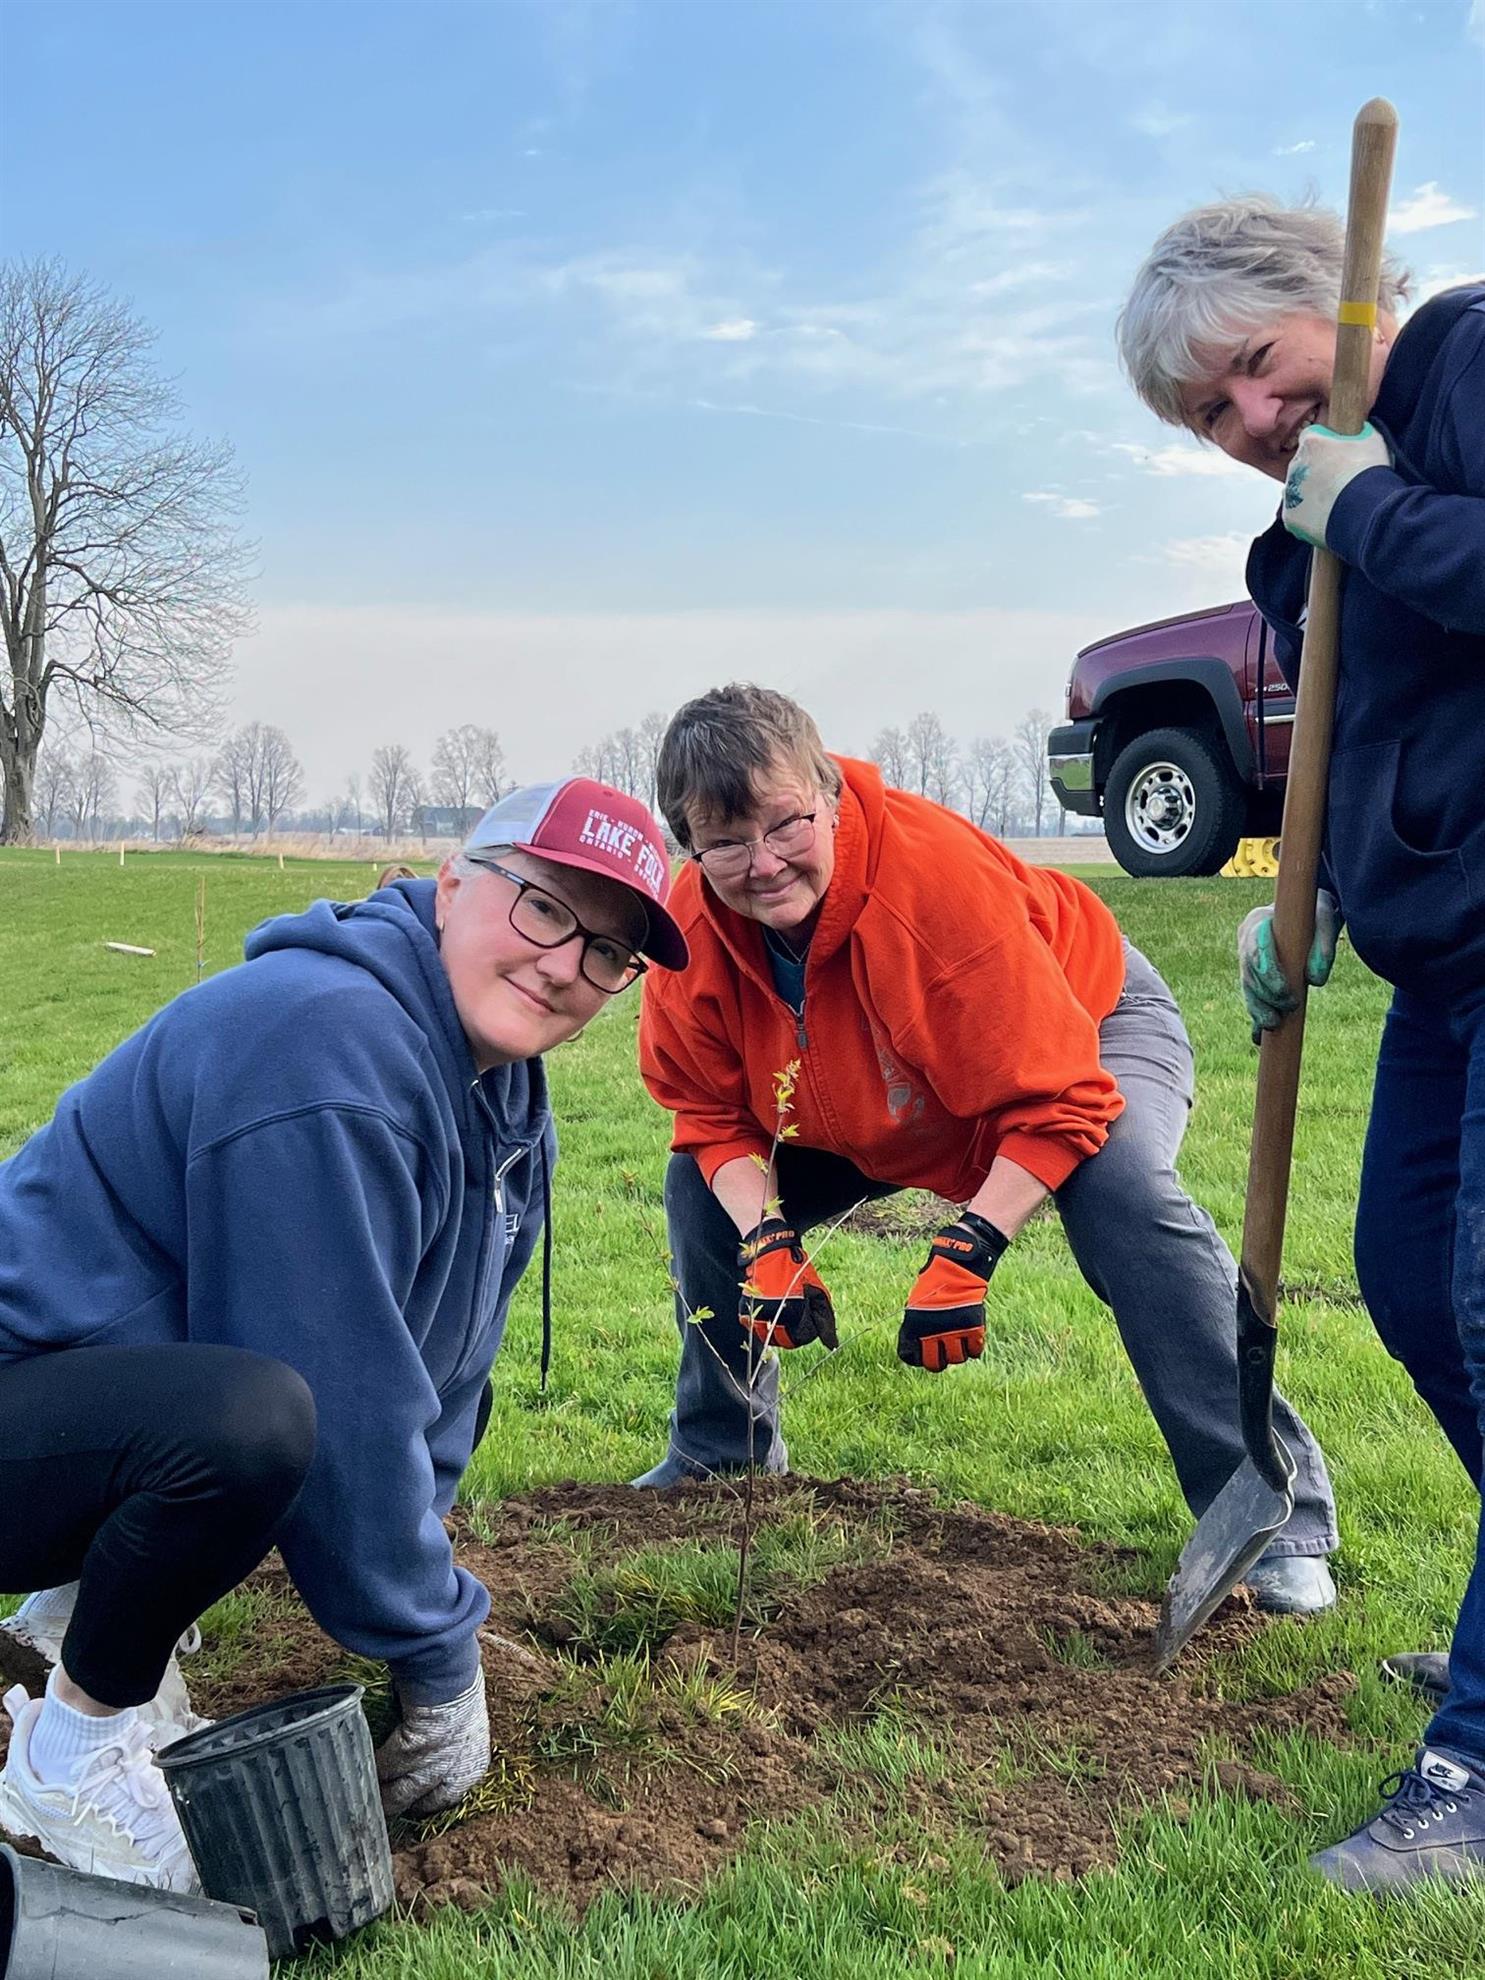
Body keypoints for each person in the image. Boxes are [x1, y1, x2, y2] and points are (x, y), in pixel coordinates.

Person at [0, 777, 687, 1891]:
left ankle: (72, 1620)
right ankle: (68, 1758)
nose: (567, 964)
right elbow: (340, 1405)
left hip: (76, 1402)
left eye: (609, 951)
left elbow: (441, 1370)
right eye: (544, 908)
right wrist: (437, 1652)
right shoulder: (326, 1044)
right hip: (21, 1399)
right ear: (452, 885)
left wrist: (422, 1582)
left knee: (262, 1426)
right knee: (254, 1429)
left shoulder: (502, 1094)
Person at [632, 683, 1338, 1604]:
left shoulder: (931, 890)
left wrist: (969, 1248)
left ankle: (1273, 1515)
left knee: (1121, 1196)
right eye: (724, 842)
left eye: (785, 824)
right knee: (701, 1192)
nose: (762, 864)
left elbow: (1058, 1098)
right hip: (873, 1087)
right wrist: (765, 1240)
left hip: (1086, 1023)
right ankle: (720, 1453)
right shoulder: (688, 933)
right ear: (688, 843)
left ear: (829, 796)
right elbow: (711, 1115)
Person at [1119, 196, 1485, 1890]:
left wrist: (1379, 509)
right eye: (1211, 412)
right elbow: (1362, 731)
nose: (1253, 420)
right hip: (1446, 962)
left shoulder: (1465, 365)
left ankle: (1474, 1770)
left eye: (1259, 368)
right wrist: (1308, 891)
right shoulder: (1304, 537)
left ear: (1336, 302)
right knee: (1409, 1285)